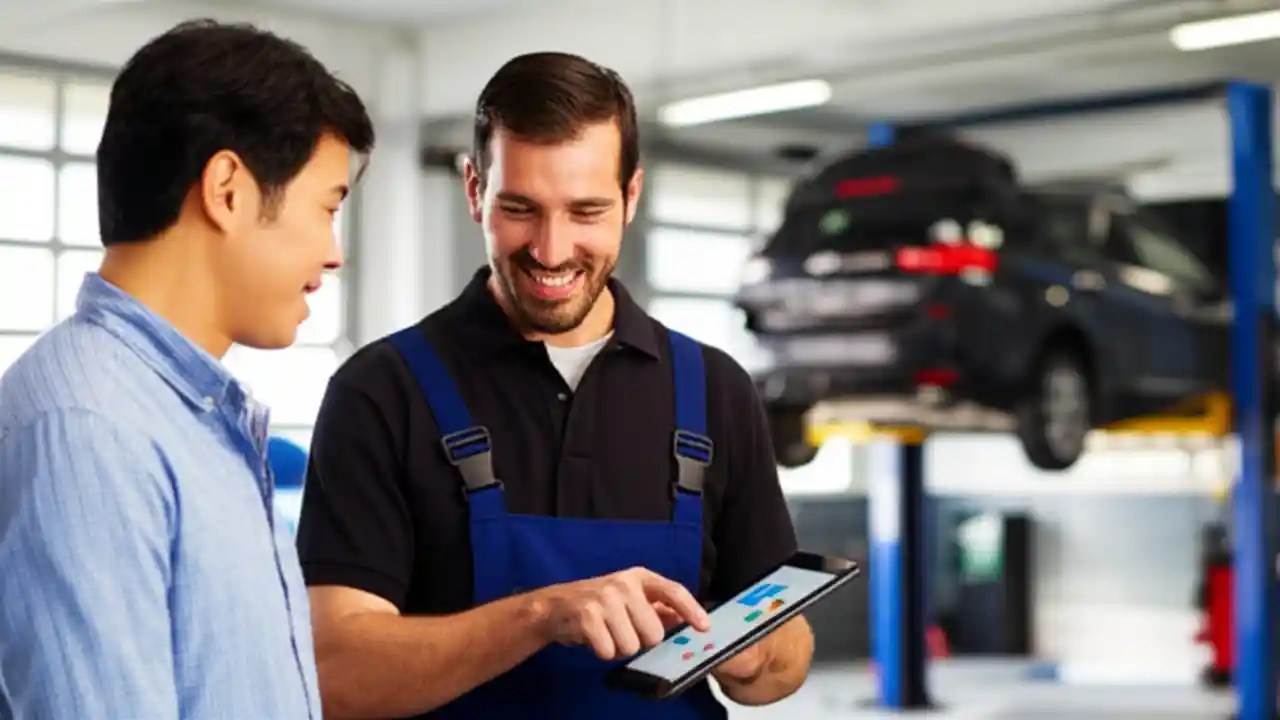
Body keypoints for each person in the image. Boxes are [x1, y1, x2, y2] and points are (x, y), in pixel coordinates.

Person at [297, 51, 813, 719]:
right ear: (474, 189)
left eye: (586, 211)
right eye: (521, 208)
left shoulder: (715, 391)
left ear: (631, 196)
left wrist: (752, 657)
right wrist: (540, 616)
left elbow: (786, 658)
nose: (552, 249)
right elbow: (336, 674)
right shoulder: (382, 392)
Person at [0, 19, 373, 719]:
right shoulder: (88, 430)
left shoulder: (185, 414)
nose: (334, 253)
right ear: (227, 190)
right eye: (327, 208)